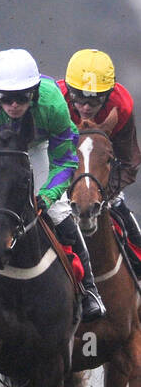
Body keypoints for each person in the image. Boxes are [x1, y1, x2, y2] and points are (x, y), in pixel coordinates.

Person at [0, 48, 105, 323]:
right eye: (6, 98)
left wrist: (49, 196)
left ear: (35, 92)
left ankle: (89, 291)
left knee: (62, 216)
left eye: (22, 98)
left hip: (35, 152)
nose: (14, 105)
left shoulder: (53, 104)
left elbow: (65, 159)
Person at [58, 48, 141, 277]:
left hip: (102, 177)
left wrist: (105, 193)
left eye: (94, 100)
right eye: (79, 98)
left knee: (134, 233)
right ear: (69, 90)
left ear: (109, 94)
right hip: (58, 174)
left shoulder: (122, 106)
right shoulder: (53, 101)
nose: (85, 107)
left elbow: (128, 162)